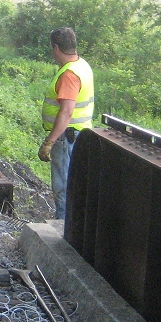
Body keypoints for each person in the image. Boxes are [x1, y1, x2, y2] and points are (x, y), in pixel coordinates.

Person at [38, 27, 94, 222]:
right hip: (80, 135)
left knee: (63, 187)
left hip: (66, 138)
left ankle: (63, 228)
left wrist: (49, 141)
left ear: (56, 48)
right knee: (73, 185)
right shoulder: (82, 65)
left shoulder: (69, 74)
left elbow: (67, 111)